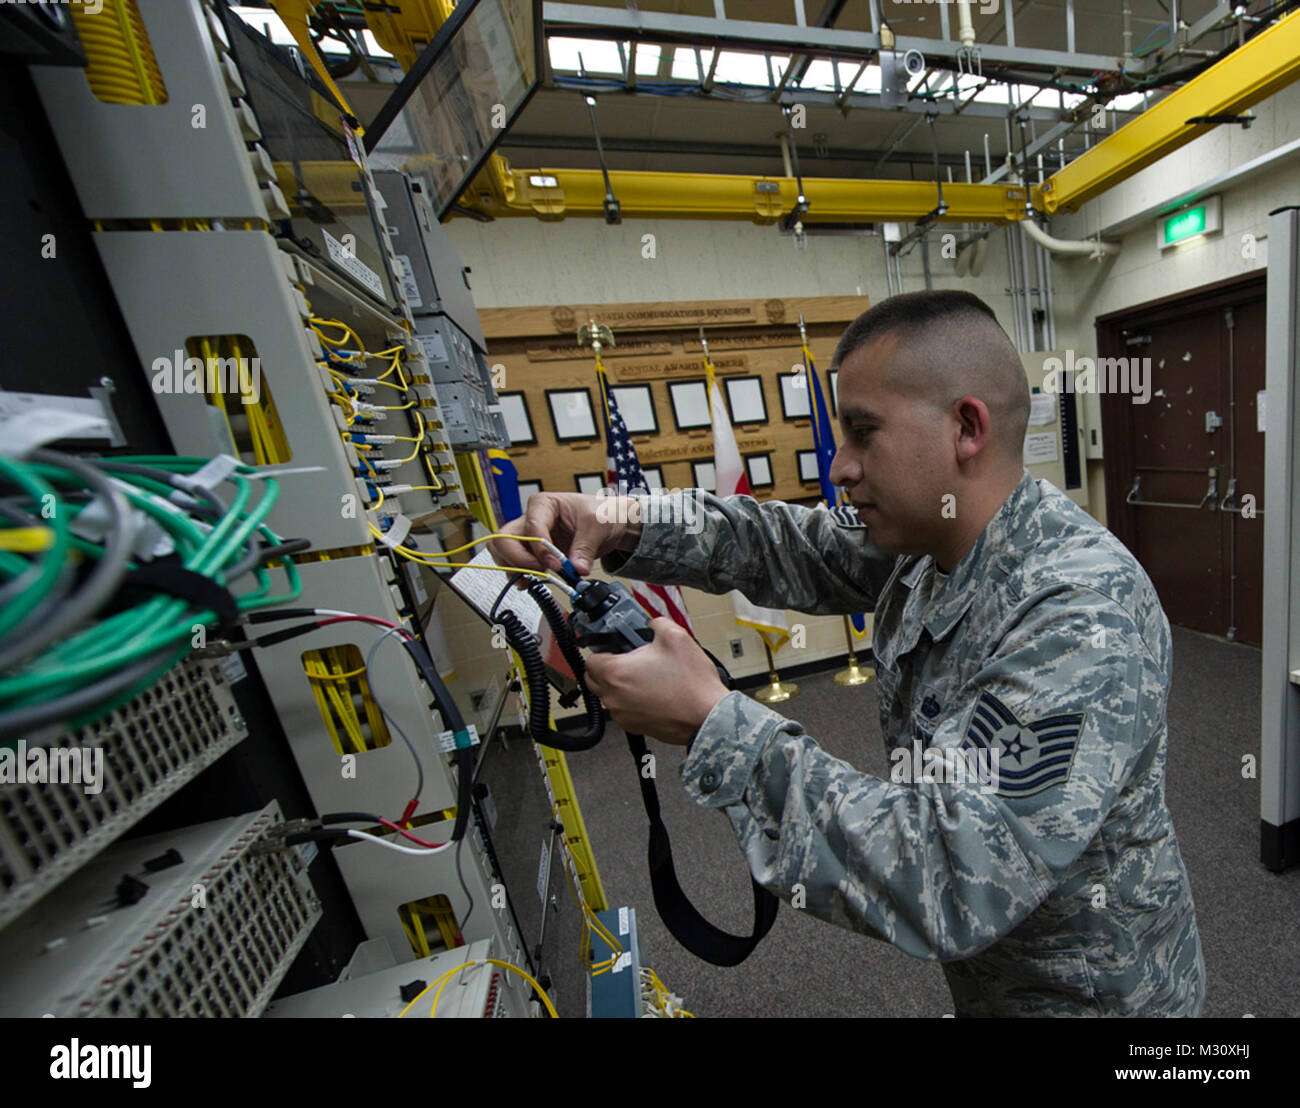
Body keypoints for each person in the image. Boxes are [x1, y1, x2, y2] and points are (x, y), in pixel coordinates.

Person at [490, 290, 1206, 1017]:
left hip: (1099, 997)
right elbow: (789, 543)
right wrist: (622, 522)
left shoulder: (1078, 610)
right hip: (1003, 980)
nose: (841, 467)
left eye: (864, 434)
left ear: (966, 428)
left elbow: (953, 873)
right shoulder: (933, 539)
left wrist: (715, 722)